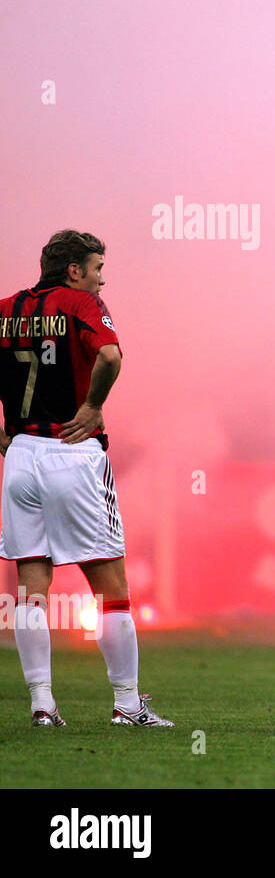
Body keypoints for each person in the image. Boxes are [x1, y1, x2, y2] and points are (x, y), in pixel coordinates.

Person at [0, 230, 173, 727]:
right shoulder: (81, 304)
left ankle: (41, 705)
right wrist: (93, 405)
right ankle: (127, 704)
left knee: (31, 583)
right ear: (73, 269)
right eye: (97, 267)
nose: (102, 278)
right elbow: (111, 355)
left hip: (21, 455)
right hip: (71, 451)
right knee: (109, 584)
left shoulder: (6, 308)